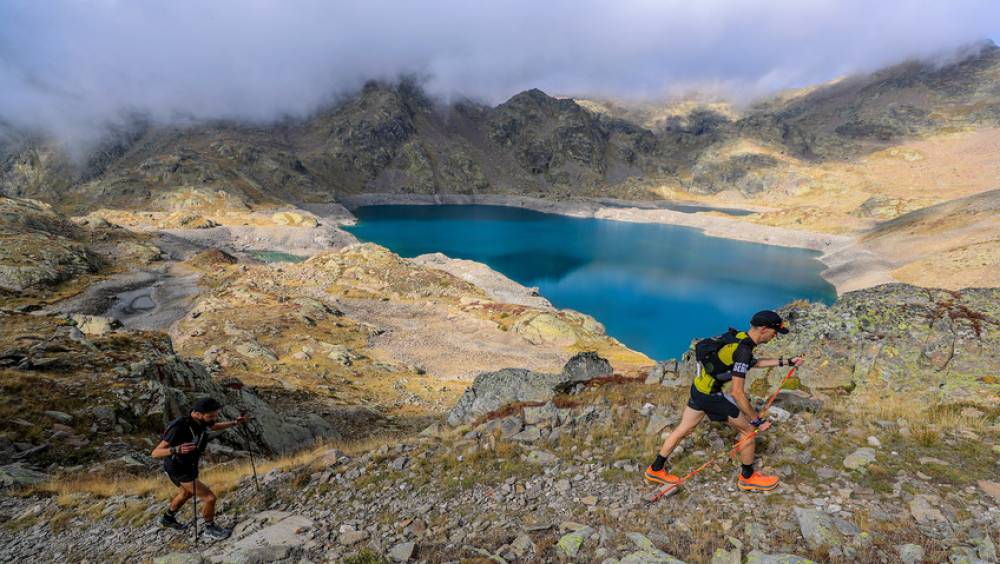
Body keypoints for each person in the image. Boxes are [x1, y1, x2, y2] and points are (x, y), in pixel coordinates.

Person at [644, 310, 804, 492]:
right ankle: (748, 478)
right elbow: (737, 393)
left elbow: (754, 362)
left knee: (683, 428)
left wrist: (787, 362)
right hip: (711, 396)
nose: (775, 337)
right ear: (764, 329)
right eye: (774, 332)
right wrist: (756, 419)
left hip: (699, 389)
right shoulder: (743, 350)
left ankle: (655, 469)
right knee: (748, 430)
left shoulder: (740, 338)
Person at [150, 397, 250, 539]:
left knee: (186, 494)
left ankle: (167, 518)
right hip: (178, 467)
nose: (214, 419)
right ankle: (209, 528)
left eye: (216, 415)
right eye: (211, 416)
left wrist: (235, 422)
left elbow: (213, 426)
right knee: (209, 498)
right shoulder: (178, 426)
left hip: (189, 464)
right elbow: (155, 453)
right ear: (197, 413)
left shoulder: (202, 421)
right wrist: (176, 449)